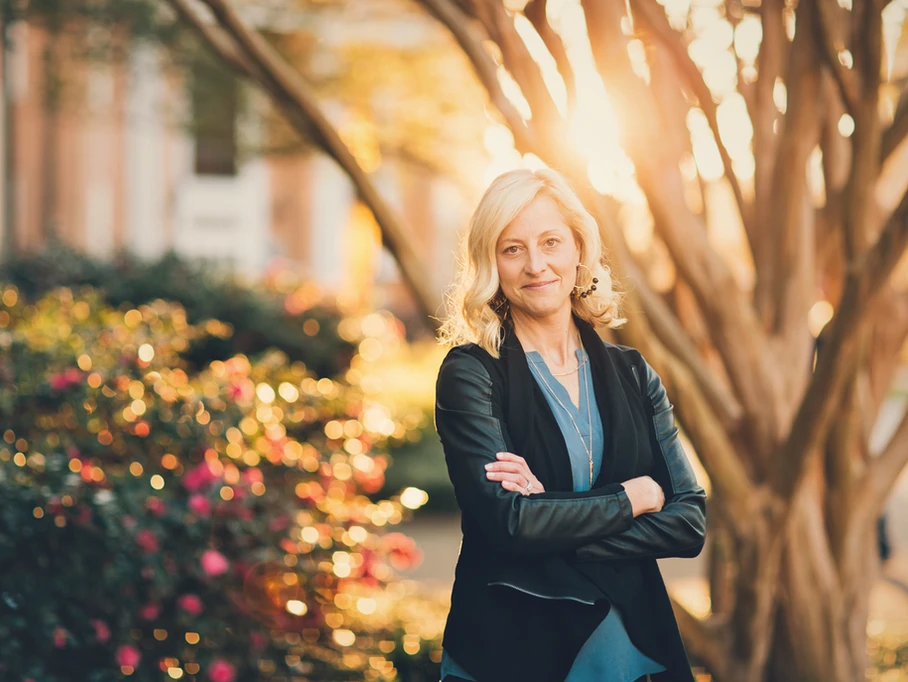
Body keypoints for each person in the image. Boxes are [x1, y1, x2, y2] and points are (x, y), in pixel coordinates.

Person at [434, 168, 707, 682]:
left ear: (579, 249)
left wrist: (550, 518)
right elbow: (507, 523)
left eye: (551, 242)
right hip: (513, 647)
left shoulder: (633, 374)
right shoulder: (471, 373)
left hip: (628, 647)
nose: (536, 265)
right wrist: (631, 497)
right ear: (491, 262)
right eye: (512, 249)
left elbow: (688, 523)